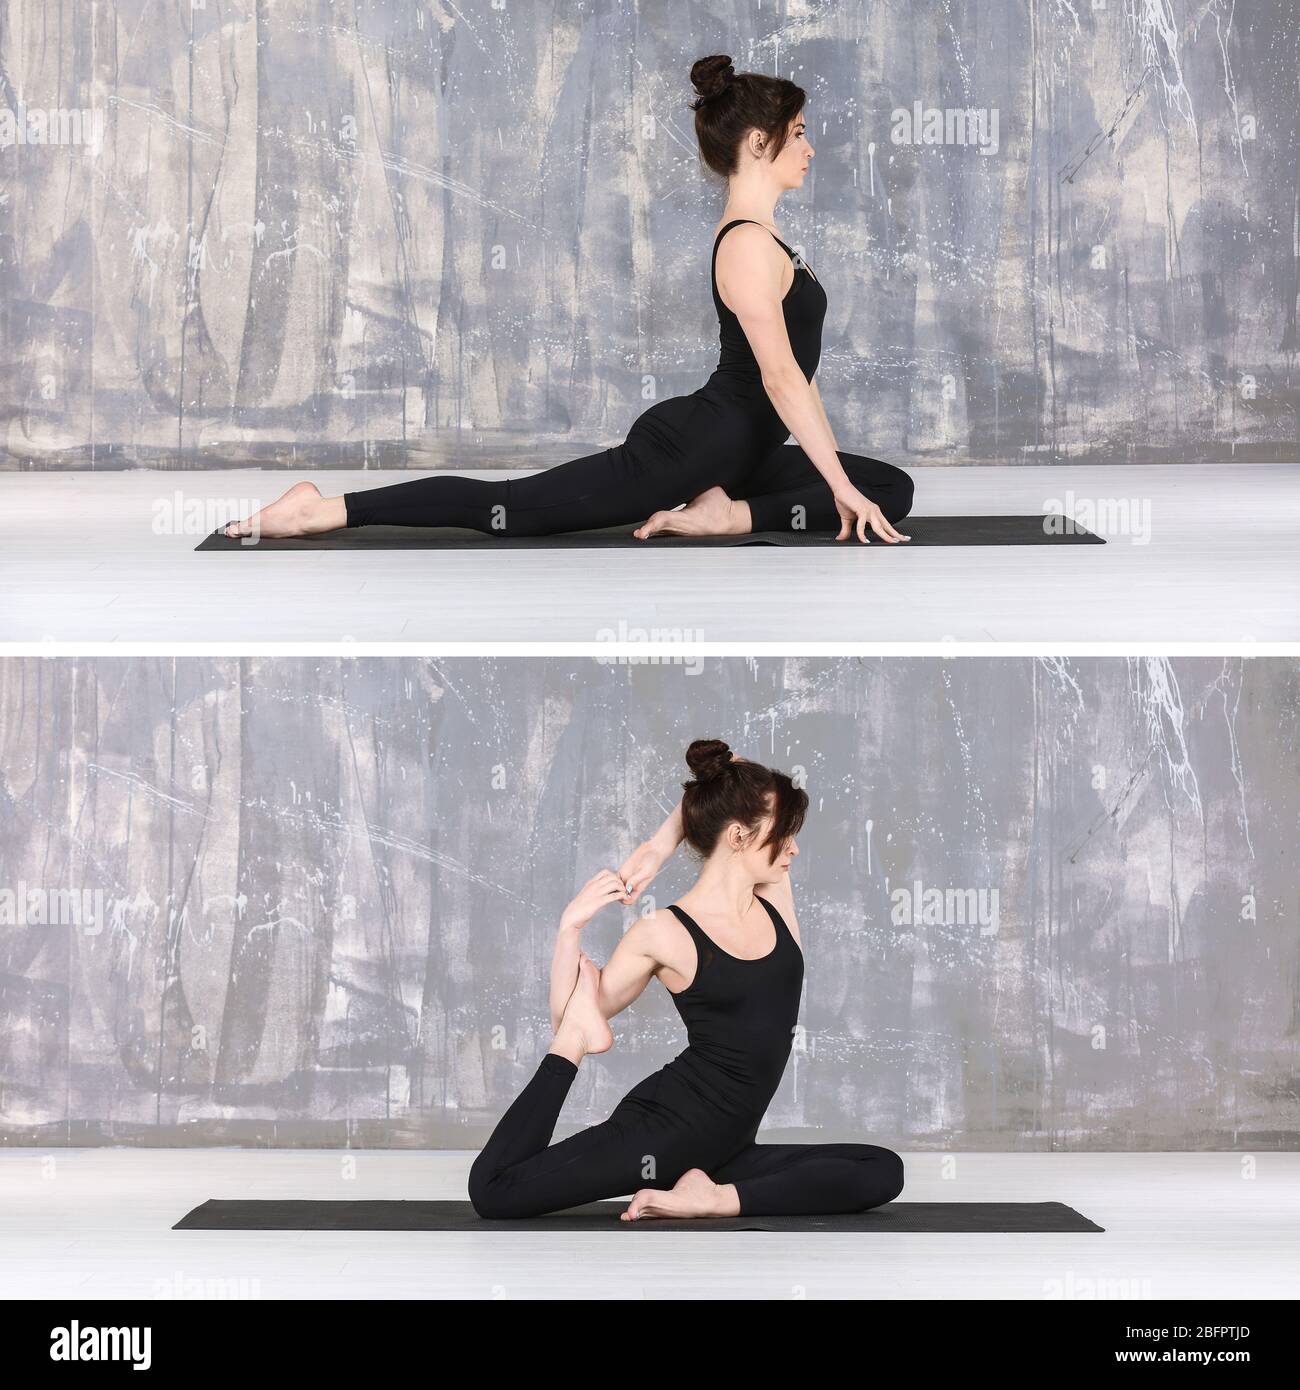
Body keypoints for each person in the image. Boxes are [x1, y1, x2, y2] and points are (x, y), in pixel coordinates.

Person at [221, 55, 913, 546]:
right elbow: (779, 377)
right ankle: (321, 509)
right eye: (797, 134)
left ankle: (725, 514)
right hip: (687, 448)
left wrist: (840, 478)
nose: (810, 148)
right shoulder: (744, 246)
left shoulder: (770, 237)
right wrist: (834, 485)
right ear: (759, 141)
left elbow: (801, 377)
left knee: (887, 489)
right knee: (512, 510)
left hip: (741, 455)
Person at [468, 738, 905, 1221]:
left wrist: (661, 845)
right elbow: (566, 1011)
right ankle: (581, 1046)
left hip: (729, 1148)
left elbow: (728, 774)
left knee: (882, 1169)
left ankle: (714, 1196)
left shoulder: (774, 895)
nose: (795, 849)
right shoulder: (665, 933)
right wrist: (568, 930)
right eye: (785, 833)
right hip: (663, 1132)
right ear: (739, 837)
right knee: (495, 1192)